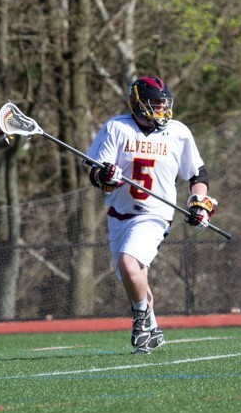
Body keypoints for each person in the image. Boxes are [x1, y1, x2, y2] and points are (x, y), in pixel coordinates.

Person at [85, 76, 217, 354]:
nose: (161, 110)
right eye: (154, 104)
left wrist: (198, 202)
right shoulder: (117, 127)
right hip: (119, 214)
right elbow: (95, 174)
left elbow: (197, 173)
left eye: (163, 104)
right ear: (138, 103)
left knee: (129, 263)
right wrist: (106, 176)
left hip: (155, 213)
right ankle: (153, 331)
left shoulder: (178, 132)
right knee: (133, 276)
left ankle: (140, 319)